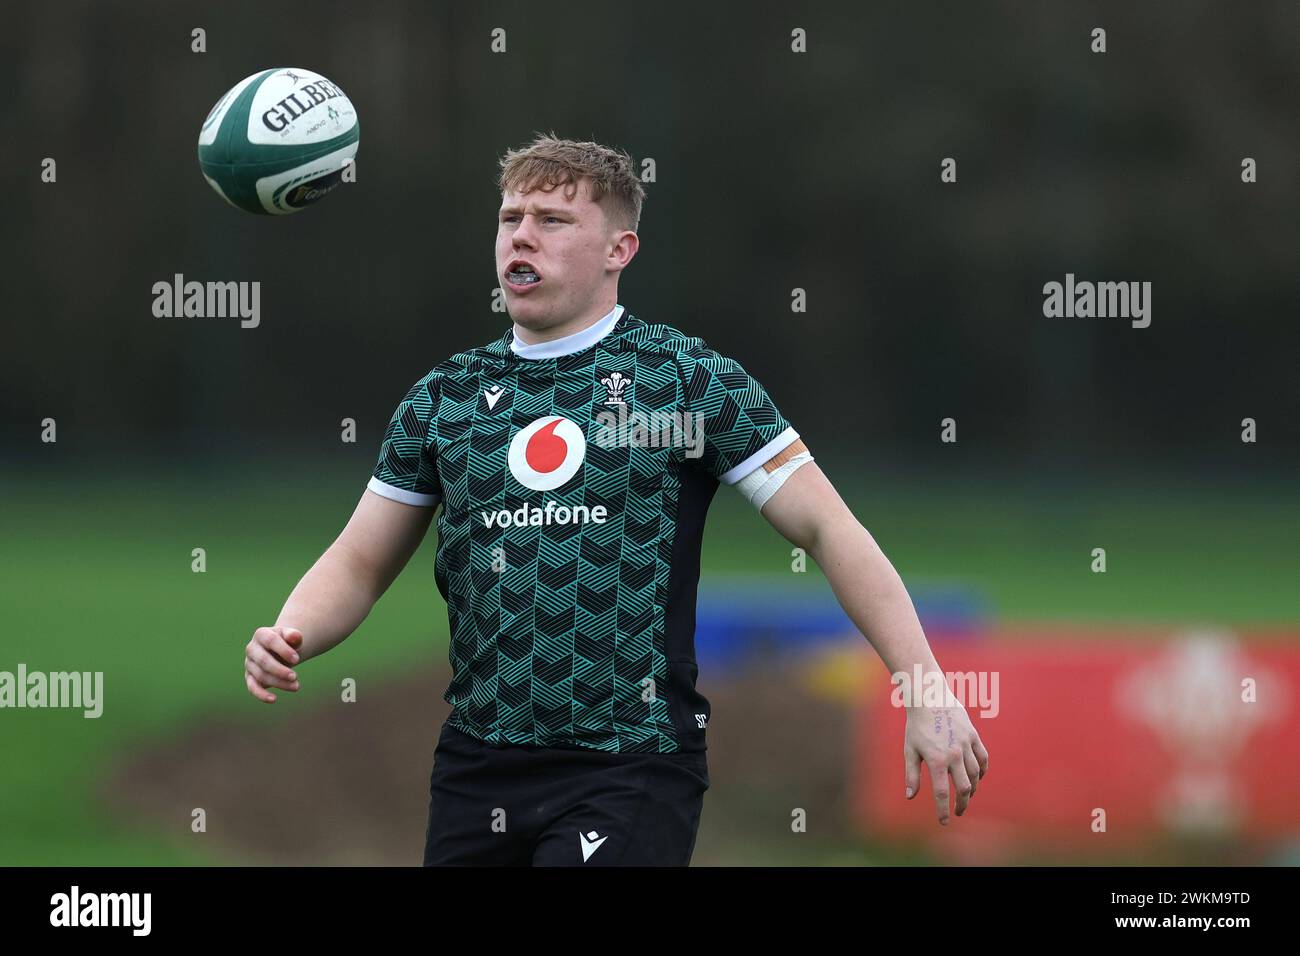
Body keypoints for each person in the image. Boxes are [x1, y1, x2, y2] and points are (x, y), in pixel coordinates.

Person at [243, 133, 989, 866]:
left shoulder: (681, 384)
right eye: (510, 219)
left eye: (553, 221)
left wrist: (923, 688)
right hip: (478, 766)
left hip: (630, 763)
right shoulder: (449, 397)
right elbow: (361, 560)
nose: (521, 239)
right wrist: (292, 630)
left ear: (618, 251)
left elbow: (830, 529)